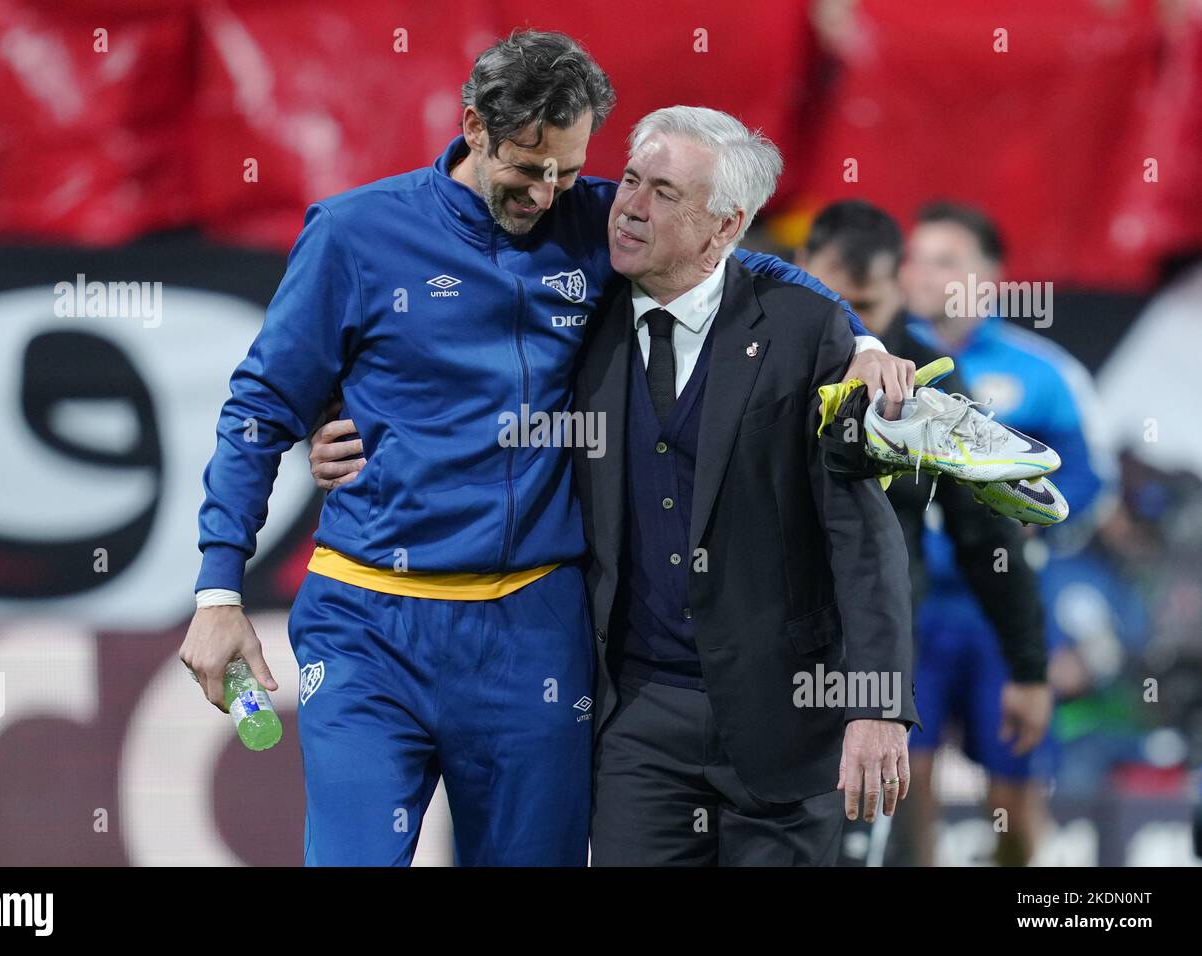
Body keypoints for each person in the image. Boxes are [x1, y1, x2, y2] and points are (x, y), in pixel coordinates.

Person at [182, 29, 911, 867]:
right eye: (527, 169)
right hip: (368, 627)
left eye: (567, 168)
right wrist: (216, 590)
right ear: (472, 127)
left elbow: (749, 267)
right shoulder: (354, 236)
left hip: (531, 632)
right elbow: (258, 408)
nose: (547, 192)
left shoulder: (594, 223)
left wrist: (856, 340)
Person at [574, 108, 917, 866]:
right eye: (630, 178)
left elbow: (861, 534)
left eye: (664, 193)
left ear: (724, 226)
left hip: (789, 716)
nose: (629, 206)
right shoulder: (579, 313)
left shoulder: (805, 332)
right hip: (636, 718)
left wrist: (878, 705)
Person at [797, 199, 1052, 866]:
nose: (853, 328)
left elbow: (986, 538)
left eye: (868, 307)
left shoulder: (929, 379)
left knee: (868, 844)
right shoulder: (756, 359)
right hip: (757, 650)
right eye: (835, 303)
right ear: (800, 272)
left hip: (872, 651)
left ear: (896, 288)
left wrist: (1028, 667)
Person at [897, 201, 1116, 865]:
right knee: (907, 781)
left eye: (945, 260)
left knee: (1014, 791)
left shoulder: (1042, 373)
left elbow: (1091, 478)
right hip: (911, 607)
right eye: (915, 258)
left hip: (1003, 610)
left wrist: (1026, 526)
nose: (923, 274)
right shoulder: (877, 361)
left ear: (988, 276)